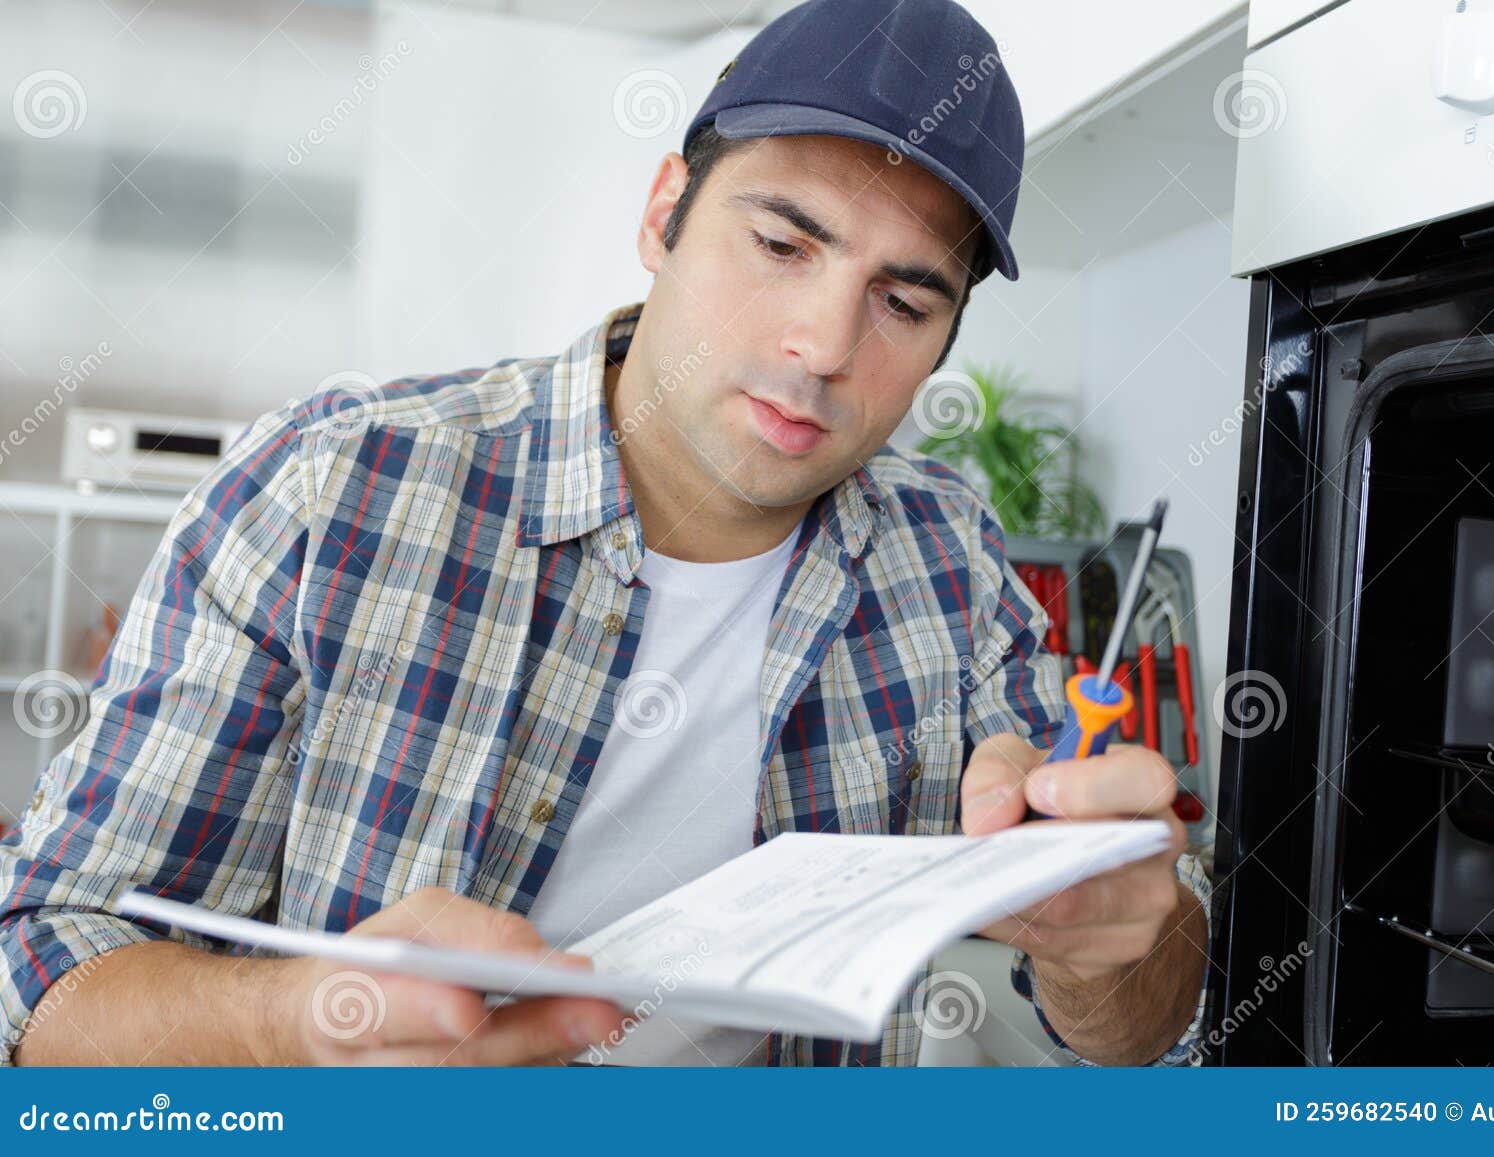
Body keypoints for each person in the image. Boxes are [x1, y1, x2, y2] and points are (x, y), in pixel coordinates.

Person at [0, 0, 1208, 1067]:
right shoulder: (331, 488)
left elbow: (1136, 1025)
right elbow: (39, 966)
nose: (824, 346)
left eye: (902, 301)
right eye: (781, 245)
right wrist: (302, 1023)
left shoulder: (946, 560)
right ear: (666, 213)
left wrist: (1101, 936)